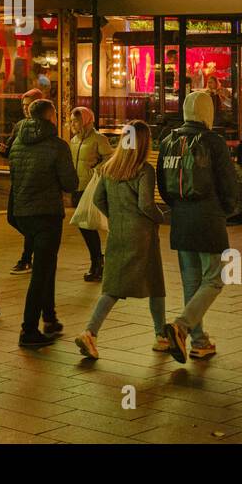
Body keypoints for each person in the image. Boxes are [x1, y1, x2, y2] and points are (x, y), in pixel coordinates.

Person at [74, 121, 168, 360]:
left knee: (113, 286)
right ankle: (161, 336)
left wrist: (115, 216)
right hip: (143, 235)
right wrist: (162, 217)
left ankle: (90, 332)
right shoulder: (144, 170)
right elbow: (146, 204)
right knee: (155, 284)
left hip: (118, 232)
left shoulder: (109, 168)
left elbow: (98, 199)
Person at [158, 90, 238, 363]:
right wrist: (227, 209)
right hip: (208, 216)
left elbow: (162, 182)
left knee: (191, 281)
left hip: (180, 217)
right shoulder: (213, 141)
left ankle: (199, 341)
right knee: (214, 279)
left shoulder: (168, 140)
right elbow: (227, 182)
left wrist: (177, 206)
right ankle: (181, 326)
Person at [6, 99, 77, 348]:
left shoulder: (16, 143)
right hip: (47, 213)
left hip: (23, 213)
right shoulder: (57, 146)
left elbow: (14, 177)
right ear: (50, 117)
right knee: (41, 272)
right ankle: (28, 329)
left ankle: (50, 317)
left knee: (46, 265)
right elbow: (70, 183)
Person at [0, 88, 44, 274]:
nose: (25, 109)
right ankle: (39, 243)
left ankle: (26, 258)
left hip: (33, 182)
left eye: (29, 105)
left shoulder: (44, 127)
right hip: (18, 181)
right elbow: (11, 150)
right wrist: (3, 150)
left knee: (27, 220)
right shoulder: (20, 126)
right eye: (23, 105)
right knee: (13, 218)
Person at [69, 106, 113, 282]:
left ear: (86, 120)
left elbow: (109, 158)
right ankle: (98, 261)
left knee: (87, 225)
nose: (73, 124)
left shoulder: (99, 139)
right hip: (77, 187)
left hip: (91, 187)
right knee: (84, 225)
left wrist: (95, 170)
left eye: (76, 120)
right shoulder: (73, 140)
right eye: (72, 120)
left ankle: (97, 263)